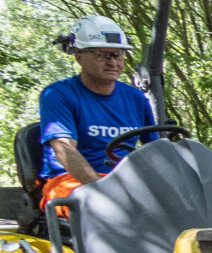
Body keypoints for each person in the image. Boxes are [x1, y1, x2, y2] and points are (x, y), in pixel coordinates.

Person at [38, 15, 156, 207]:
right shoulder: (58, 94)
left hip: (124, 182)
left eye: (117, 55)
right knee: (104, 206)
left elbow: (155, 150)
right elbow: (63, 148)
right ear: (79, 56)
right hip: (68, 180)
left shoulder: (134, 98)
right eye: (102, 55)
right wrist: (102, 189)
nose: (112, 63)